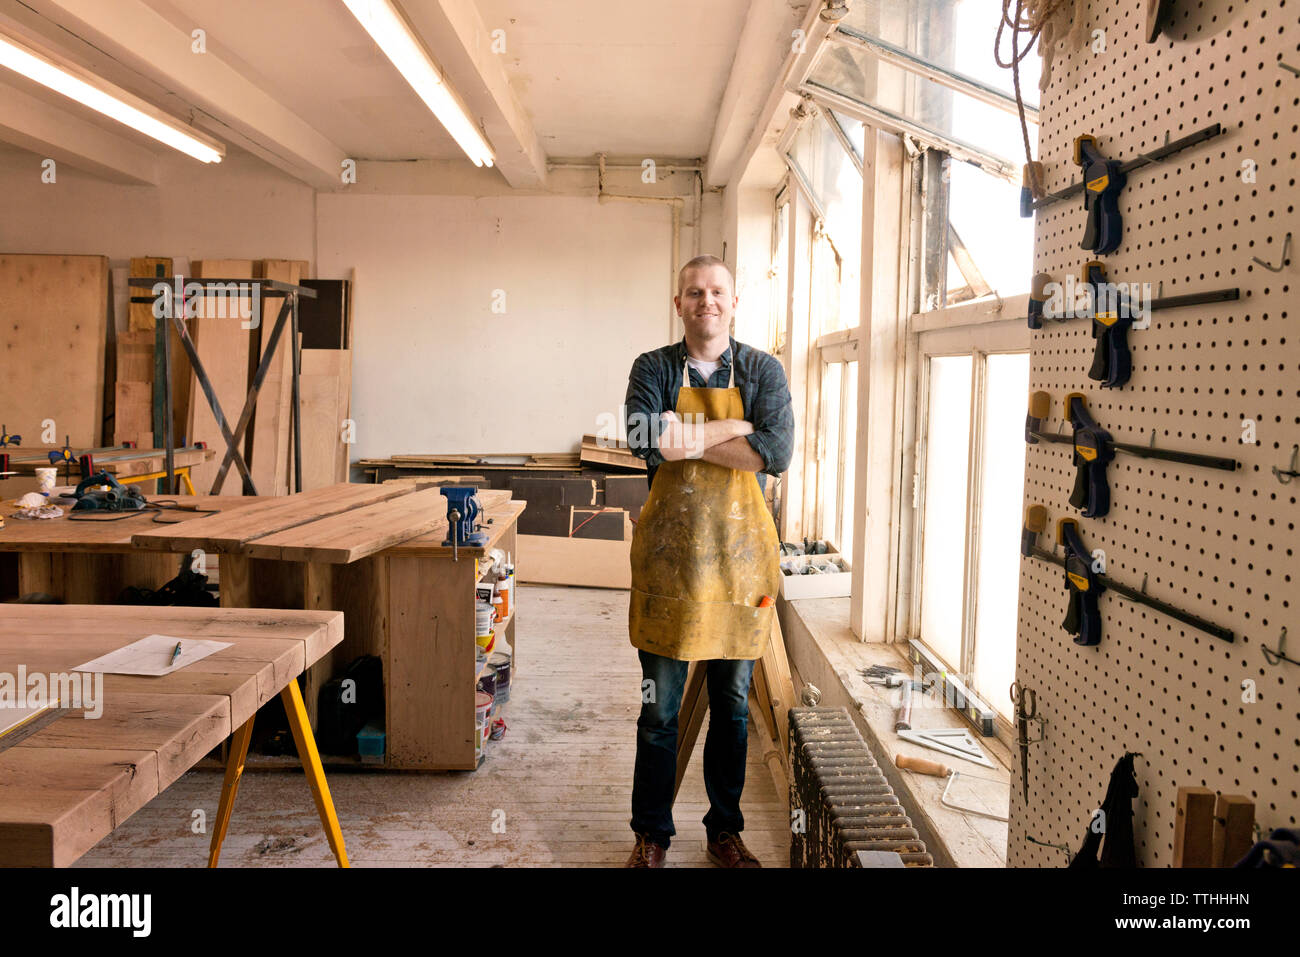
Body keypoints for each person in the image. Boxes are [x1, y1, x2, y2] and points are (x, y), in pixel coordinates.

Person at [621, 254, 794, 868]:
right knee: (658, 711)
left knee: (732, 711)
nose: (707, 302)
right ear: (679, 304)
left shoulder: (762, 369)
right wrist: (733, 429)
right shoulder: (653, 367)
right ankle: (651, 835)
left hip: (740, 567)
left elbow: (774, 454)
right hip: (670, 563)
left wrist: (686, 437)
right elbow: (647, 439)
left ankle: (725, 832)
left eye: (717, 291)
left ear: (734, 301)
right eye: (694, 293)